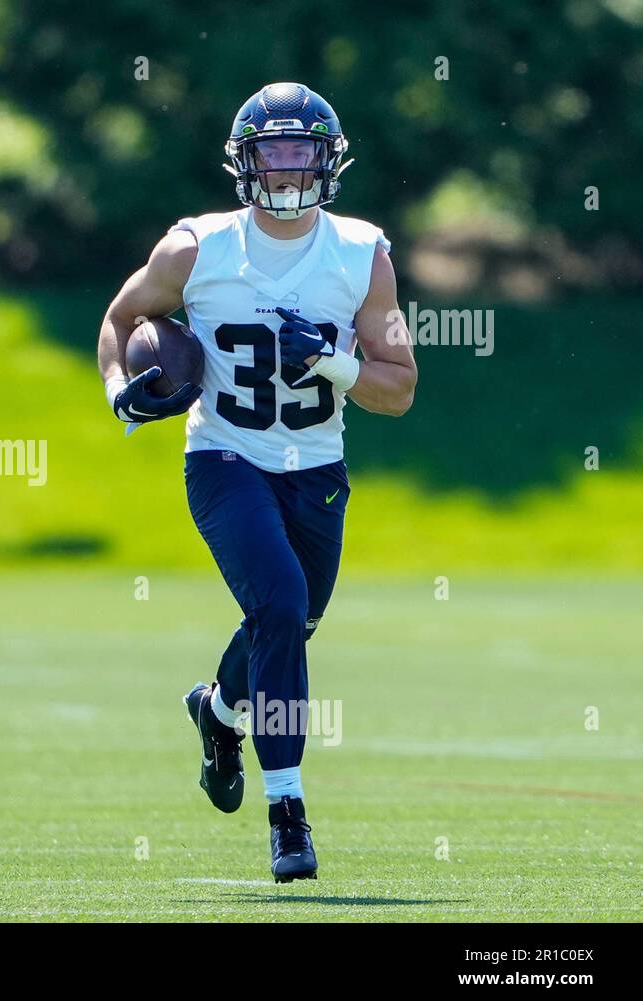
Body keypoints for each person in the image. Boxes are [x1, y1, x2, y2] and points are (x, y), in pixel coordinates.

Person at [96, 82, 417, 881]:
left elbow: (399, 385)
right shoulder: (197, 248)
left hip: (318, 470)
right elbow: (119, 318)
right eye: (270, 152)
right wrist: (118, 390)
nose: (285, 169)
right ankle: (288, 811)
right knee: (276, 604)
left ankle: (218, 710)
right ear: (244, 162)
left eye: (299, 151)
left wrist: (332, 360)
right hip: (225, 458)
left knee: (290, 625)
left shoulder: (361, 253)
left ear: (327, 161)